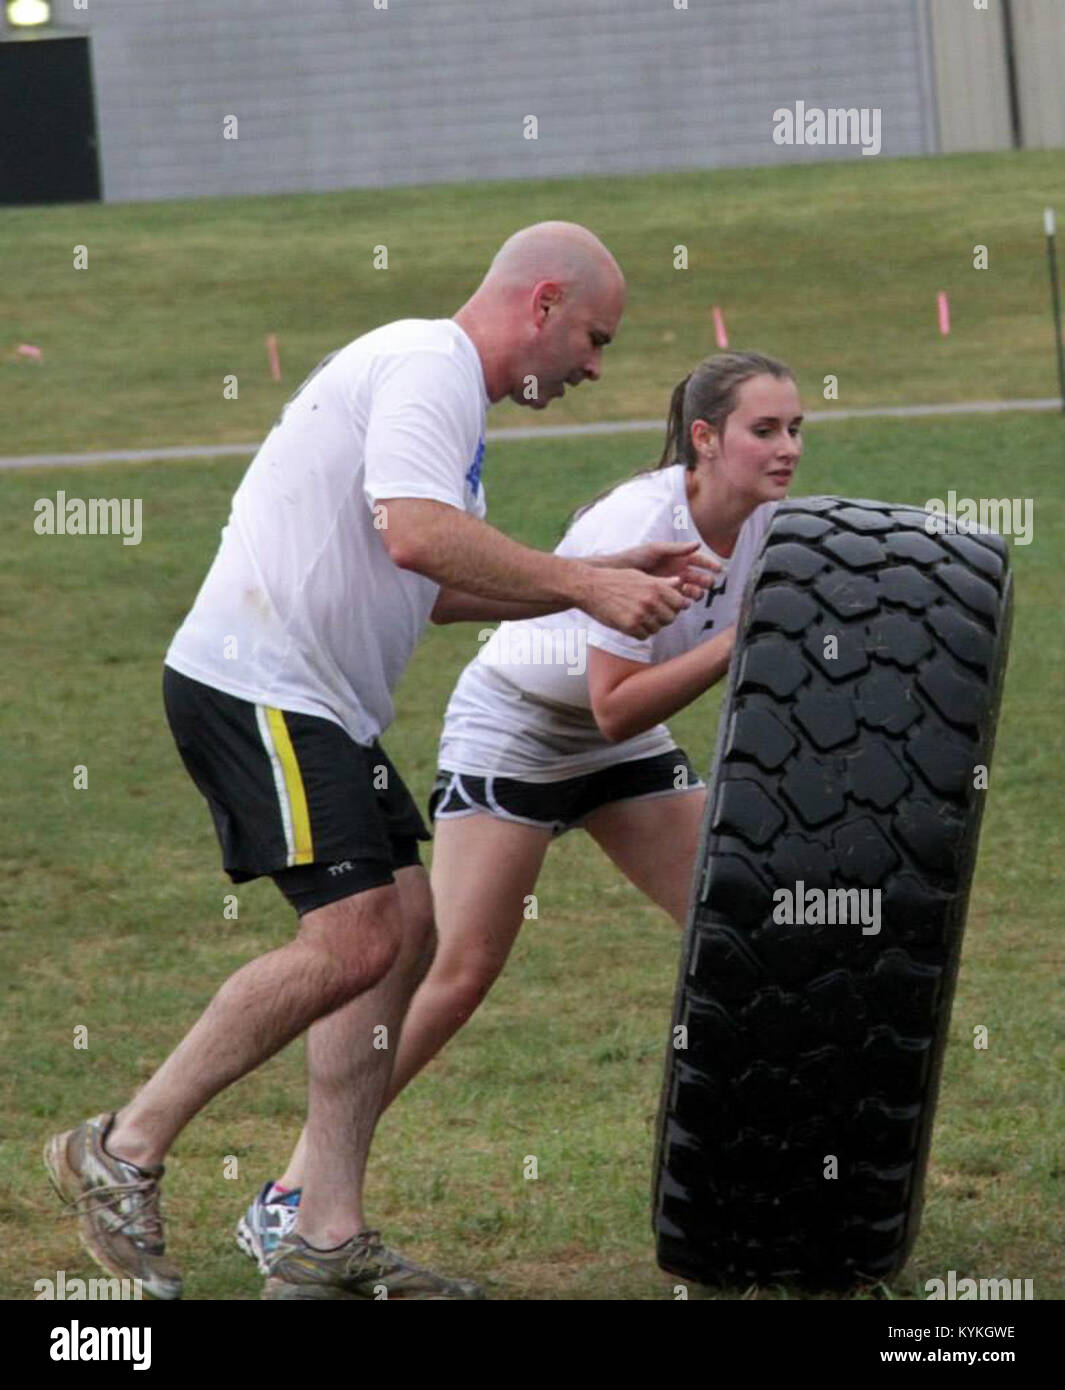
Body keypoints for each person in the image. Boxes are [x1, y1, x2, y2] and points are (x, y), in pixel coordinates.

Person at [43, 222, 718, 1302]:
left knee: (407, 933)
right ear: (541, 302)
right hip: (258, 682)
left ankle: (324, 1234)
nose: (595, 365)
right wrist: (587, 588)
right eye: (593, 336)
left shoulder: (446, 398)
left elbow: (436, 585)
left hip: (316, 704)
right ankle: (121, 1145)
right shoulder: (427, 365)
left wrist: (593, 571)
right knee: (358, 937)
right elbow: (416, 535)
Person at [235, 350, 804, 1271]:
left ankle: (769, 1161)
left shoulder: (773, 526)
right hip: (515, 736)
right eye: (764, 430)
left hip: (619, 748)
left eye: (794, 430)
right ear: (705, 439)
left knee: (739, 923)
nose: (786, 449)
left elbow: (626, 721)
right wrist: (747, 637)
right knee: (455, 975)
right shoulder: (642, 515)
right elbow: (618, 697)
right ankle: (293, 1193)